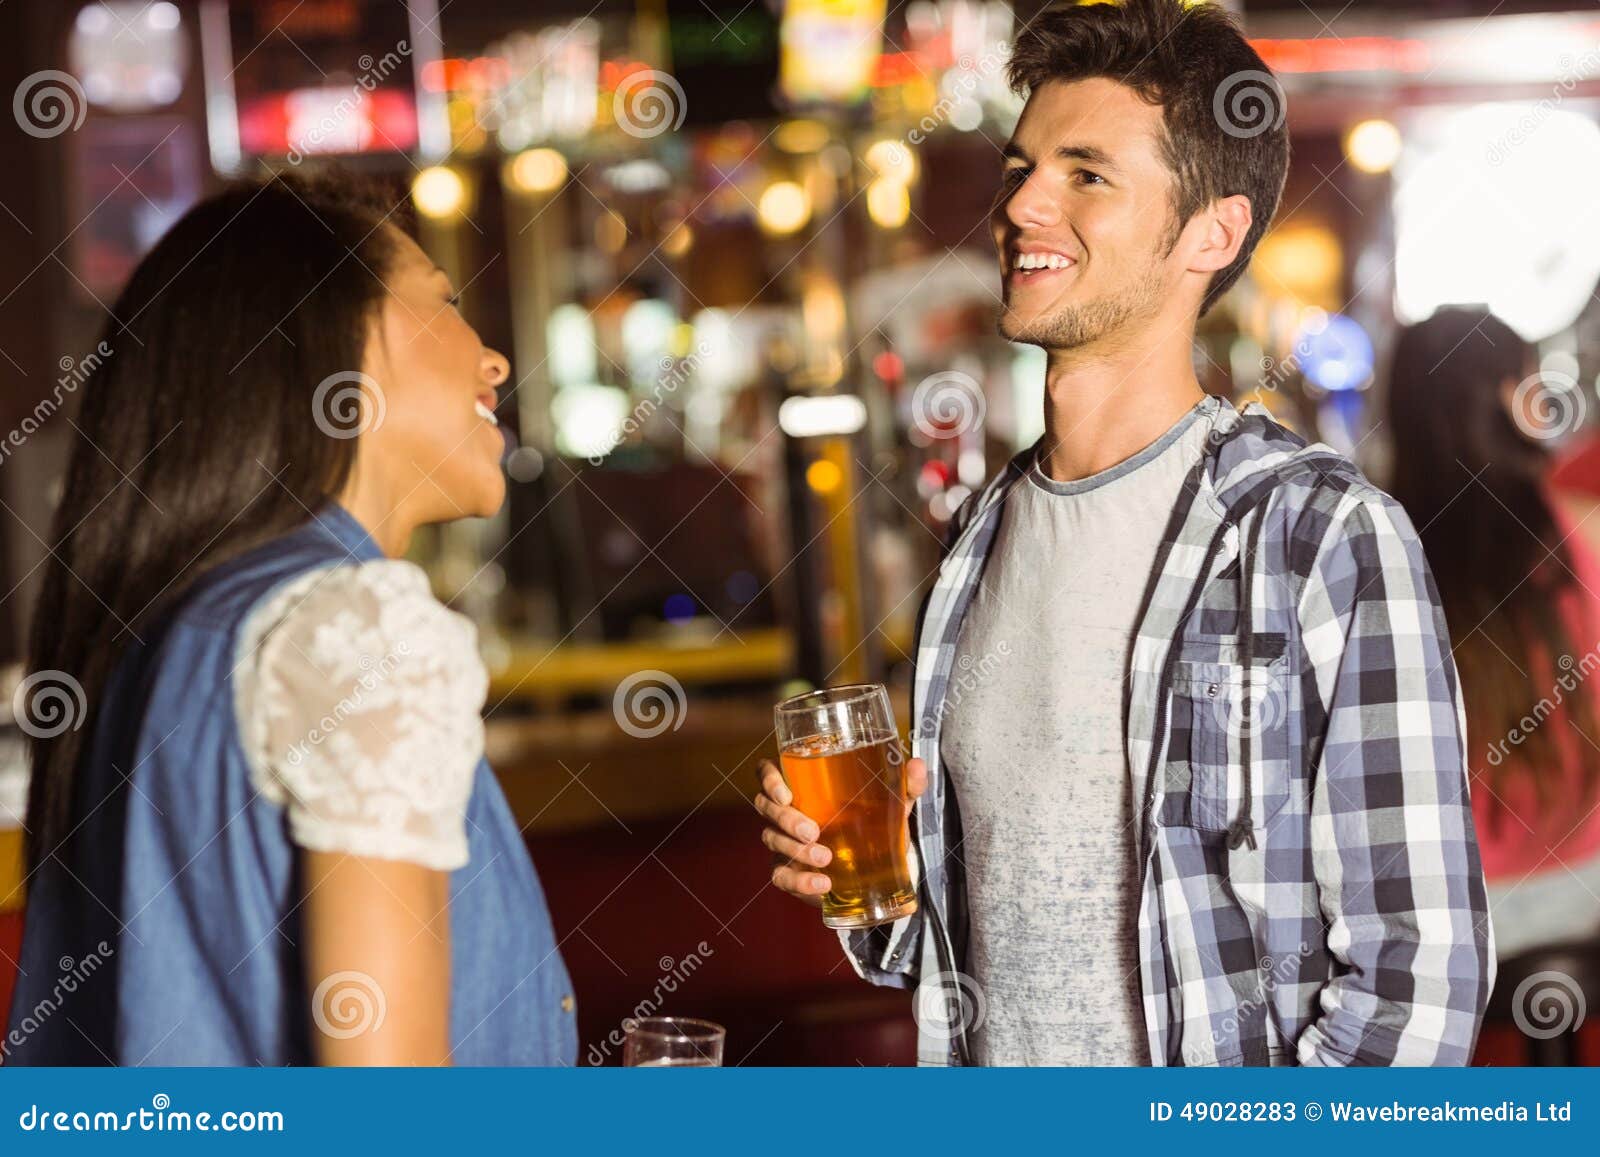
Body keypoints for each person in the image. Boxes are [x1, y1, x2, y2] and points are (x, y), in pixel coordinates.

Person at [755, 0, 1492, 1066]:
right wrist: (865, 885)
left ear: (1213, 233)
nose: (1022, 204)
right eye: (1021, 168)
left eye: (1085, 174)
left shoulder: (1315, 535)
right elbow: (977, 945)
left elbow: (1415, 989)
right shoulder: (978, 539)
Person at [4, 172, 576, 1065]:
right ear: (332, 339)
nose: (493, 360)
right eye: (445, 300)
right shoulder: (359, 625)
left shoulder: (164, 628)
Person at [1387, 307, 1600, 960]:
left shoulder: (1371, 562)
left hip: (1445, 922)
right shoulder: (1585, 534)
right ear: (1514, 397)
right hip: (1585, 894)